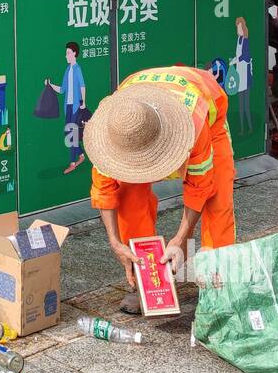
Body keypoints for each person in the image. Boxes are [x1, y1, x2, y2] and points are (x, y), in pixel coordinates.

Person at [84, 65, 236, 314]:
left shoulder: (193, 124)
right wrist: (115, 243)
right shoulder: (112, 132)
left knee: (218, 198)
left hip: (206, 109)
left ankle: (219, 284)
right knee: (128, 197)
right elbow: (105, 192)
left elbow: (200, 187)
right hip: (143, 105)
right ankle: (148, 282)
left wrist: (180, 240)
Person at [45, 41, 86, 174]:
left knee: (72, 133)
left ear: (74, 53)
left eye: (68, 53)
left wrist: (83, 102)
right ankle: (81, 155)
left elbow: (82, 86)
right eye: (66, 53)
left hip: (75, 106)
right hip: (67, 106)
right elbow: (62, 89)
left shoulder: (77, 69)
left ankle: (72, 163)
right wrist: (50, 85)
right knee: (67, 133)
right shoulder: (67, 70)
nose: (66, 55)